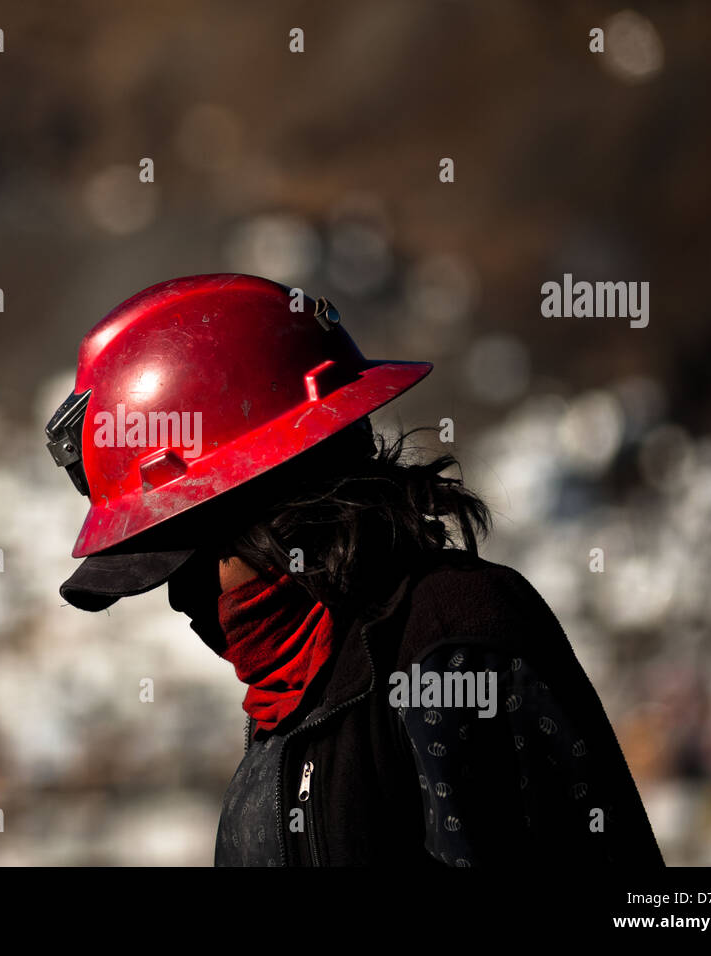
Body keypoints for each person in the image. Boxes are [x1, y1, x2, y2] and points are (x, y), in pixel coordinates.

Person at [46, 273, 664, 867]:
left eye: (193, 559)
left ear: (286, 510)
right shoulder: (289, 711)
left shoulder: (449, 643)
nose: (181, 599)